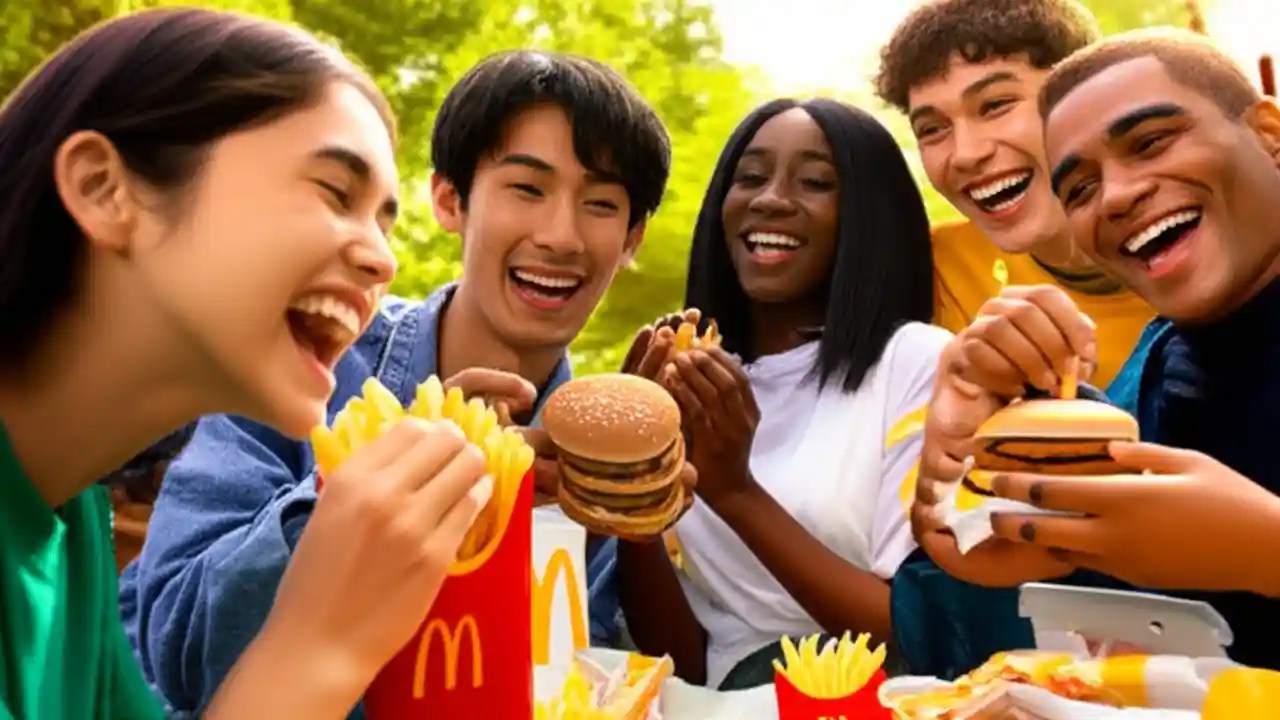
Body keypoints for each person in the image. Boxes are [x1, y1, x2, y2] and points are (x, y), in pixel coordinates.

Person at [120, 49, 673, 716]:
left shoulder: (597, 463)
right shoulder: (293, 364)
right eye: (527, 189)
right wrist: (393, 463)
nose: (560, 235)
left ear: (633, 237)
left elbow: (589, 675)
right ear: (449, 200)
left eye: (601, 204)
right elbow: (176, 646)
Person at [0, 8, 494, 719]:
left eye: (384, 221)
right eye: (334, 192)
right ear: (104, 188)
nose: (384, 261)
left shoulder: (72, 523)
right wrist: (319, 644)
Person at [913, 29, 1280, 670]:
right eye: (1078, 189)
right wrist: (961, 433)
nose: (1116, 196)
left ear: (1270, 133)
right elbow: (981, 551)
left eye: (1150, 143)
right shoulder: (1154, 378)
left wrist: (1264, 549)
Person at [615, 98, 948, 689]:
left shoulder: (914, 362)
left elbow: (914, 636)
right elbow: (684, 661)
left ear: (871, 218)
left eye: (815, 182)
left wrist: (735, 490)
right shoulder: (695, 377)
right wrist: (634, 485)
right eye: (750, 177)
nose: (770, 199)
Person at [874, 0, 1155, 392]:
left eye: (995, 105)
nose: (967, 153)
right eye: (933, 128)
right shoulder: (932, 272)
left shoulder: (1209, 256)